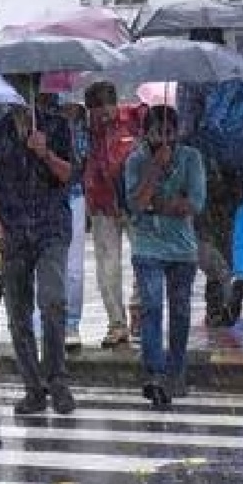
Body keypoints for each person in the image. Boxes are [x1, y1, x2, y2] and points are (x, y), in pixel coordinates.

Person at [0, 75, 77, 416]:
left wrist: (45, 152)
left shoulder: (59, 126)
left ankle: (58, 379)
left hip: (51, 227)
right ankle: (33, 386)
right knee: (18, 314)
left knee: (52, 302)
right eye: (15, 89)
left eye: (28, 88)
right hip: (12, 231)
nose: (22, 96)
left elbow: (69, 175)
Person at [125, 106, 206, 408]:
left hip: (182, 249)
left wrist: (156, 205)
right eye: (157, 132)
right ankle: (155, 373)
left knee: (181, 311)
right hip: (147, 246)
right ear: (146, 133)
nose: (164, 138)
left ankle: (176, 371)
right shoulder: (136, 160)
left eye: (169, 132)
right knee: (152, 307)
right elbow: (135, 204)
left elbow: (195, 203)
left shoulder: (191, 158)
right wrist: (155, 170)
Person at [178, 29, 243, 327]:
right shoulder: (240, 71)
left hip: (204, 163)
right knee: (225, 232)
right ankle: (219, 304)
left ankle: (223, 288)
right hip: (239, 163)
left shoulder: (192, 75)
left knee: (199, 235)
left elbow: (185, 127)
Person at [84, 82, 139, 348]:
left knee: (143, 259)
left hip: (134, 203)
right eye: (96, 109)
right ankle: (116, 324)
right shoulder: (85, 129)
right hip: (101, 204)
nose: (103, 113)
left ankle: (139, 311)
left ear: (115, 102)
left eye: (106, 106)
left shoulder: (135, 119)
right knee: (108, 267)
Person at [55, 95, 89, 350]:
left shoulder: (82, 130)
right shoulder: (42, 122)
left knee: (74, 268)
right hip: (45, 200)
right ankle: (44, 324)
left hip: (75, 198)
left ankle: (71, 324)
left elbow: (80, 166)